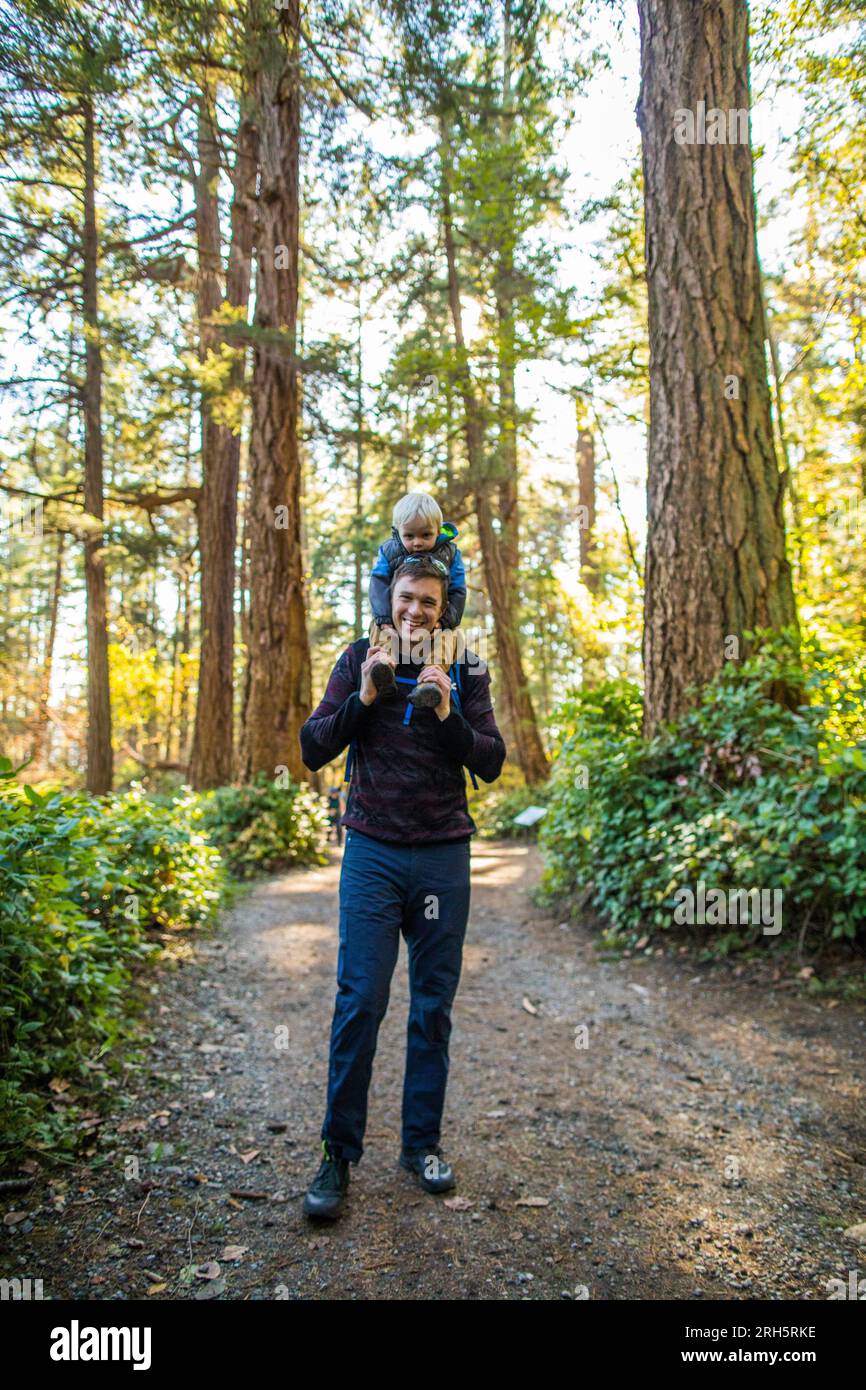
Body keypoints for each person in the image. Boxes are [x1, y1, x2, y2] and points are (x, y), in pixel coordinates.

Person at [298, 555, 506, 1219]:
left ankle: (422, 1146)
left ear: (445, 609)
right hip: (372, 854)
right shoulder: (360, 656)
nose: (416, 611)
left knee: (432, 1006)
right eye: (407, 599)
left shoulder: (466, 664)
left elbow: (493, 761)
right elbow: (312, 747)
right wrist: (362, 698)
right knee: (360, 999)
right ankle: (337, 1153)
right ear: (391, 598)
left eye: (430, 603)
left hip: (444, 855)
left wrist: (448, 716)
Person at [368, 490, 467, 708]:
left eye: (426, 535)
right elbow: (378, 583)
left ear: (438, 531)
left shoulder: (449, 553)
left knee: (450, 637)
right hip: (395, 621)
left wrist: (445, 621)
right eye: (409, 536)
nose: (418, 543)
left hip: (437, 624)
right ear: (397, 533)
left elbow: (458, 591)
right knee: (378, 629)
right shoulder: (390, 551)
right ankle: (383, 666)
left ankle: (430, 679)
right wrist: (384, 618)